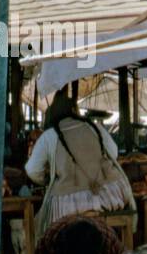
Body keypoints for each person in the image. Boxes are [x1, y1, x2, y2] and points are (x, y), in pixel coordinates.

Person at [25, 90, 134, 237]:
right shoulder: (95, 128)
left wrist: (48, 178)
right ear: (74, 111)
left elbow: (32, 170)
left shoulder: (49, 136)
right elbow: (113, 153)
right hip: (109, 197)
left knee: (41, 226)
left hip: (70, 205)